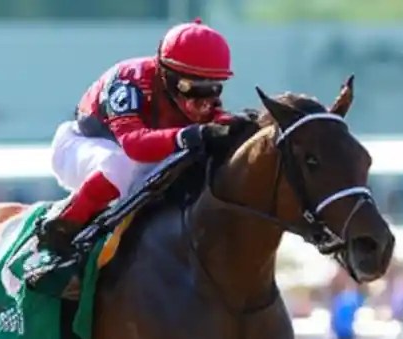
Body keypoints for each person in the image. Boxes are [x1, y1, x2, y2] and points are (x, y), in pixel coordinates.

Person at [25, 18, 247, 298]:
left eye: (214, 88)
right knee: (123, 165)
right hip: (84, 146)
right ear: (165, 72)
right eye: (192, 87)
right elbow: (134, 145)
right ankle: (60, 233)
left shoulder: (193, 89)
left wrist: (237, 124)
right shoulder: (130, 81)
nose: (204, 100)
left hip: (142, 153)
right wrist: (188, 136)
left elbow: (215, 122)